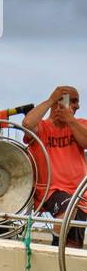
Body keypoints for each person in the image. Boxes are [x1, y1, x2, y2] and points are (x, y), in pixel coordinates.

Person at [23, 86, 87, 246]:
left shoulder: (79, 124)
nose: (77, 106)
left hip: (81, 194)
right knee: (67, 212)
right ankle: (56, 243)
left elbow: (85, 142)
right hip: (52, 190)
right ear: (59, 103)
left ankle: (57, 251)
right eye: (73, 101)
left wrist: (70, 119)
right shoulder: (42, 127)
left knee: (72, 246)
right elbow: (27, 124)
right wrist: (50, 100)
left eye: (77, 101)